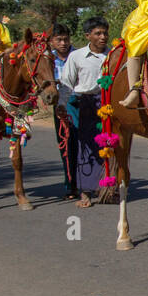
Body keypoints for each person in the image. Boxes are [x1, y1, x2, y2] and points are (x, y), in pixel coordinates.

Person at [61, 16, 110, 207]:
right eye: (98, 33)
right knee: (87, 149)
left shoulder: (114, 54)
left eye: (105, 32)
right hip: (87, 104)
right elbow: (66, 83)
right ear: (87, 35)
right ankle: (86, 193)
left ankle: (108, 190)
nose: (102, 37)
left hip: (109, 105)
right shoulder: (77, 56)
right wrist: (61, 105)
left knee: (109, 148)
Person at [50, 23, 78, 200]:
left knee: (84, 144)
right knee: (66, 145)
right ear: (52, 42)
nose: (63, 43)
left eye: (66, 39)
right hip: (61, 104)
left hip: (81, 102)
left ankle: (87, 183)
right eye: (59, 40)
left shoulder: (78, 55)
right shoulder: (48, 59)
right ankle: (70, 184)